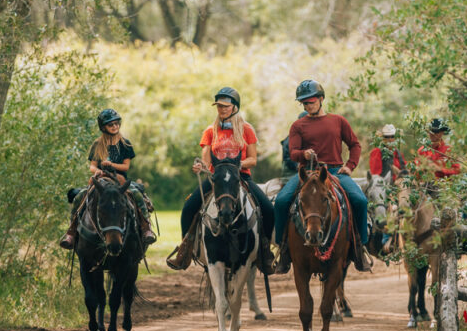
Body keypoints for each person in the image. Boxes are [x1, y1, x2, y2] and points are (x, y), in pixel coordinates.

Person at [166, 87, 275, 273]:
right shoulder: (211, 131)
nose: (222, 109)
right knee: (189, 207)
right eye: (219, 106)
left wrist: (236, 165)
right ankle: (185, 249)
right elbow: (206, 161)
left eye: (226, 106)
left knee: (268, 208)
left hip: (241, 177)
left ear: (235, 107)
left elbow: (253, 159)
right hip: (216, 179)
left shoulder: (247, 129)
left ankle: (264, 250)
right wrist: (200, 167)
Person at [273, 79, 370, 274]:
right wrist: (304, 154)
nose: (308, 105)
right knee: (281, 201)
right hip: (307, 174)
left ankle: (360, 247)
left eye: (311, 101)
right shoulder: (298, 125)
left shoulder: (338, 121)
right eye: (304, 102)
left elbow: (355, 145)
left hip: (334, 171)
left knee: (360, 200)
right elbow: (293, 153)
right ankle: (282, 249)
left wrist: (350, 166)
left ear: (321, 99)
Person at [59, 108, 156, 250]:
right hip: (101, 178)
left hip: (119, 179)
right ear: (103, 127)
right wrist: (98, 171)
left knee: (136, 194)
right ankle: (71, 231)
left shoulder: (125, 144)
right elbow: (92, 166)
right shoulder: (97, 144)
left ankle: (146, 227)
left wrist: (111, 165)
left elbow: (126, 166)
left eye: (117, 123)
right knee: (80, 196)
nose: (115, 126)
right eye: (111, 125)